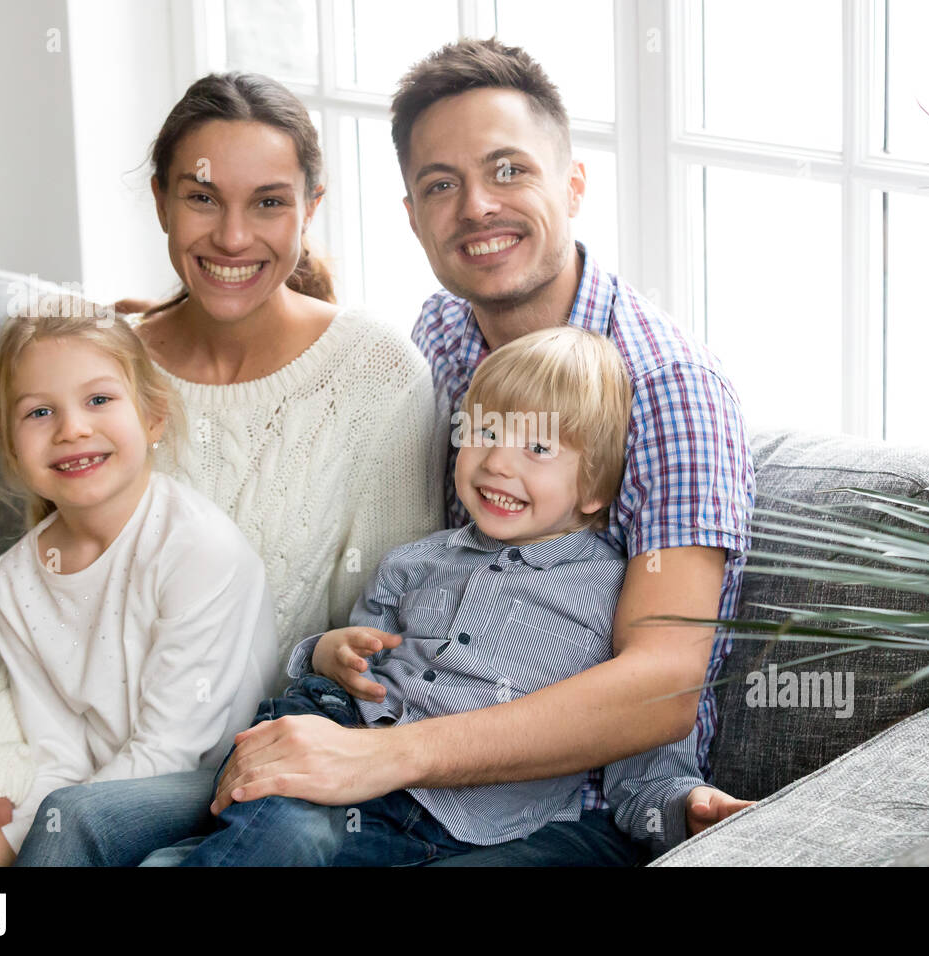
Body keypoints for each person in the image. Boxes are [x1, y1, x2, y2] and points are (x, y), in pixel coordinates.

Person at [0, 71, 442, 867]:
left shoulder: (380, 370)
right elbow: (55, 577)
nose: (233, 238)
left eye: (269, 201)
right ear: (162, 200)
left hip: (208, 700)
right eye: (202, 198)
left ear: (311, 205)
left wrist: (8, 823)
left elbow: (391, 616)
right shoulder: (114, 359)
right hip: (26, 620)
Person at [201, 38, 756, 866]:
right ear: (414, 215)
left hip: (577, 806)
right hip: (397, 769)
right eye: (441, 185)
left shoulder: (667, 388)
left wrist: (381, 757)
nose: (475, 208)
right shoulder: (443, 335)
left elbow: (661, 687)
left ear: (571, 184)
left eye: (508, 171)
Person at [139, 326, 750, 866]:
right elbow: (356, 663)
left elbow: (637, 745)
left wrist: (683, 804)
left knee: (266, 845)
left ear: (594, 487)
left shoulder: (610, 593)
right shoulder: (415, 559)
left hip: (466, 825)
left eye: (537, 448)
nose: (497, 464)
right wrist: (328, 651)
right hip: (342, 747)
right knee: (290, 819)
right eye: (484, 432)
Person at [0, 310, 280, 866]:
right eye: (39, 412)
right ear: (10, 447)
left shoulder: (197, 550)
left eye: (99, 400)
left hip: (208, 790)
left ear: (153, 418)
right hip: (89, 795)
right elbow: (54, 750)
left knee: (47, 838)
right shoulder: (13, 582)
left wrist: (8, 846)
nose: (72, 428)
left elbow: (171, 751)